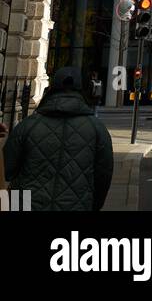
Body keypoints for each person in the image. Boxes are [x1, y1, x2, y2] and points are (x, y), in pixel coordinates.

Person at [2, 65, 113, 211]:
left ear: (51, 89)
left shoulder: (28, 125)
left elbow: (8, 170)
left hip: (27, 205)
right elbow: (103, 178)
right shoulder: (97, 129)